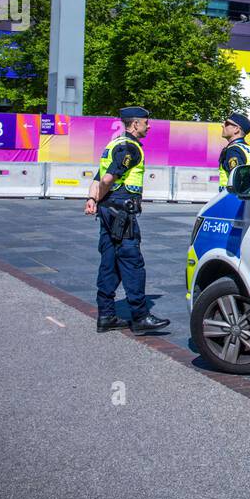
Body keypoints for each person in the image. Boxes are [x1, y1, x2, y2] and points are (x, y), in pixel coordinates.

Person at [84, 106, 170, 335]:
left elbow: (97, 177)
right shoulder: (130, 148)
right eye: (145, 122)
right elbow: (108, 178)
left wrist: (93, 199)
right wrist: (101, 198)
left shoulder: (112, 145)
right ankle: (140, 316)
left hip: (108, 212)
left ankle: (106, 315)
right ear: (135, 125)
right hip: (121, 214)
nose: (148, 126)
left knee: (109, 262)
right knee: (132, 263)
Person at [218, 112, 250, 189]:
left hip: (232, 197)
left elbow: (237, 180)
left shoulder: (233, 151)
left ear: (236, 129)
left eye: (226, 123)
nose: (222, 125)